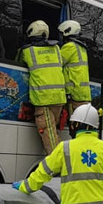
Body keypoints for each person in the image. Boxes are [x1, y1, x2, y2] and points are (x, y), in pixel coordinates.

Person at [18, 21, 67, 154]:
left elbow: (18, 64)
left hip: (43, 99)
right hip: (59, 98)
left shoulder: (28, 51)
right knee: (54, 133)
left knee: (48, 135)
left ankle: (58, 166)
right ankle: (61, 160)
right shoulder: (57, 49)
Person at [57, 19, 92, 117]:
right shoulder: (81, 48)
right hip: (83, 94)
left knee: (75, 125)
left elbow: (57, 63)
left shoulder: (69, 47)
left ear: (67, 31)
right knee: (82, 125)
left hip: (74, 94)